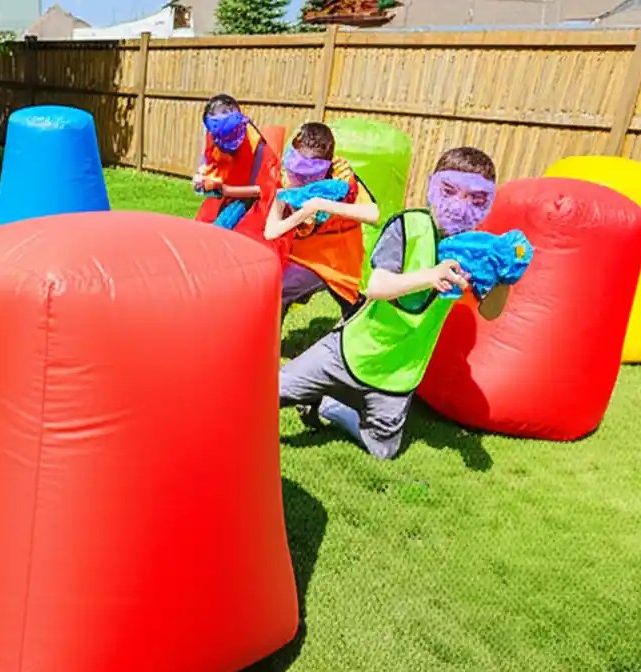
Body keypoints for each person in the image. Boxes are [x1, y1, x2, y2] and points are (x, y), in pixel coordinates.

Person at [279, 147, 507, 459]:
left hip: (397, 375)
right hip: (351, 351)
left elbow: (491, 312)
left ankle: (331, 405)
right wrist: (431, 276)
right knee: (270, 394)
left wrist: (506, 275)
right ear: (433, 186)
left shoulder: (479, 251)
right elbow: (376, 286)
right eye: (450, 191)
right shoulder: (408, 226)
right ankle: (321, 388)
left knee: (382, 451)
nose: (459, 206)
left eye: (476, 199)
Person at [266, 122, 380, 320]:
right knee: (279, 290)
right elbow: (271, 231)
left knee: (355, 310)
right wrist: (300, 213)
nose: (299, 180)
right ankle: (269, 348)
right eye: (296, 172)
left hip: (342, 261)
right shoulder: (287, 182)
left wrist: (323, 205)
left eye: (308, 176)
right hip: (306, 259)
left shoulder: (342, 179)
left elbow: (373, 215)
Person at [192, 94, 285, 266]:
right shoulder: (212, 133)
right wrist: (204, 176)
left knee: (233, 250)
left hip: (252, 205)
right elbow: (210, 160)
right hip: (222, 197)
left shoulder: (261, 151)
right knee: (198, 240)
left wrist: (227, 190)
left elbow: (265, 190)